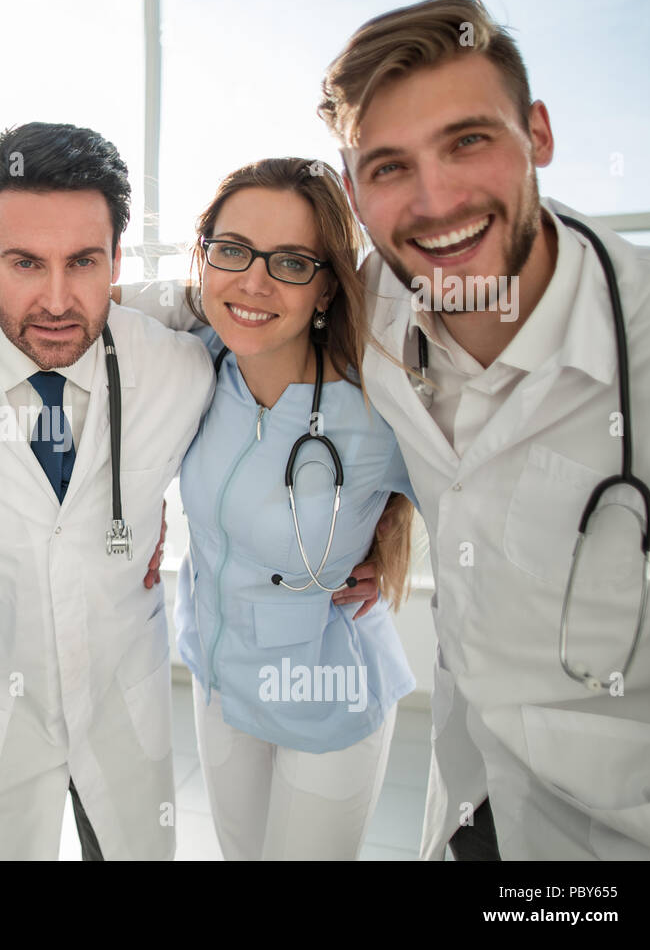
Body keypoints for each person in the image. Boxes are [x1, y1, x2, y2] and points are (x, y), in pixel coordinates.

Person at [318, 0, 650, 860]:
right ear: (357, 191)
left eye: (468, 140)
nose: (436, 202)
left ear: (538, 135)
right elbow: (224, 303)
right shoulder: (372, 304)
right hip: (473, 806)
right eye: (389, 166)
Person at [0, 122, 215, 860]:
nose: (57, 300)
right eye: (24, 262)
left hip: (122, 687)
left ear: (117, 261)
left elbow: (253, 311)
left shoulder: (180, 374)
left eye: (84, 261)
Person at [172, 158, 416, 859]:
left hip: (328, 697)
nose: (253, 281)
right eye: (233, 250)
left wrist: (400, 536)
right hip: (218, 678)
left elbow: (477, 496)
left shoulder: (377, 407)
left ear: (327, 288)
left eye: (290, 262)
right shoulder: (201, 361)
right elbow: (95, 298)